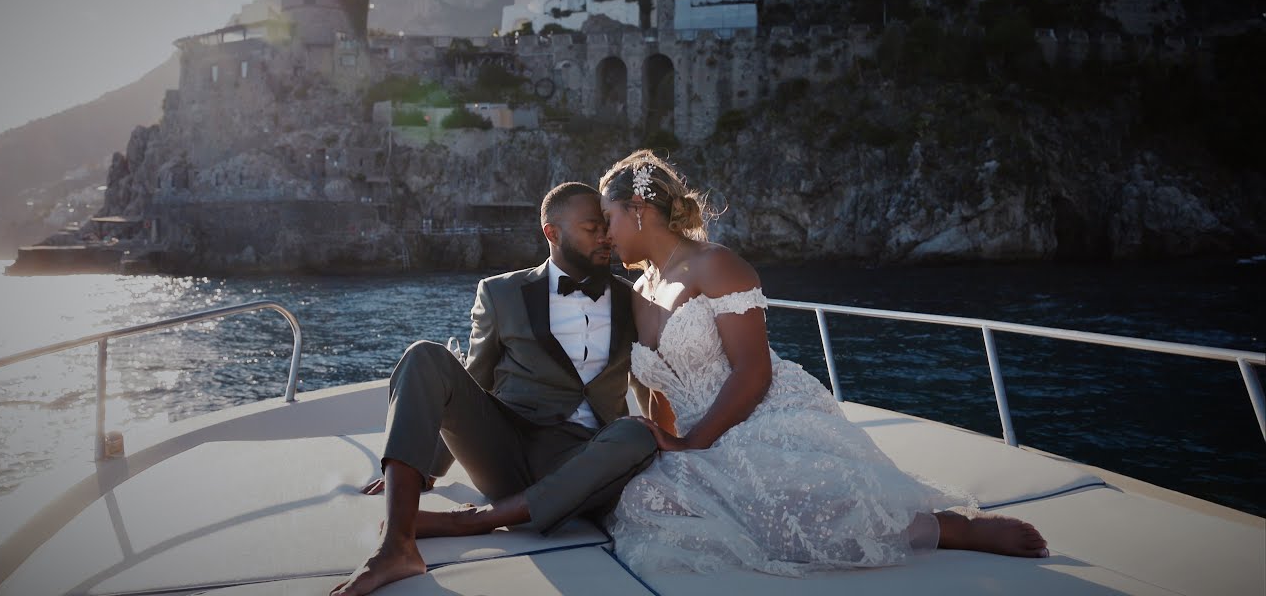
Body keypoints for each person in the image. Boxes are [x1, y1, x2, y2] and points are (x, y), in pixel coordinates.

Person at [597, 150, 1049, 577]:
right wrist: (667, 450)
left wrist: (692, 445)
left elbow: (753, 372)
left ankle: (952, 528)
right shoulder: (639, 293)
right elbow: (661, 391)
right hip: (698, 436)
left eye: (608, 218)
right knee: (644, 499)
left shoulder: (714, 264)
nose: (605, 235)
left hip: (759, 412)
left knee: (793, 507)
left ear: (637, 207)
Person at [332, 182, 656, 596]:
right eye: (592, 228)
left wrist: (675, 446)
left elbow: (648, 380)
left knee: (637, 433)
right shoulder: (501, 292)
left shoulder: (632, 299)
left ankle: (471, 521)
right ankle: (396, 546)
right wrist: (427, 469)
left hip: (586, 460)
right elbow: (475, 378)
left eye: (606, 228)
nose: (605, 237)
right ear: (552, 232)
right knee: (424, 355)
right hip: (507, 450)